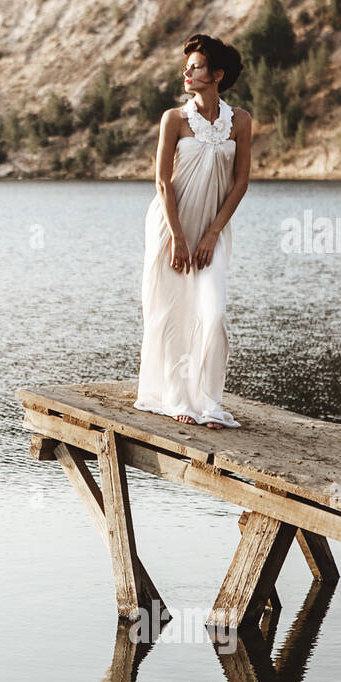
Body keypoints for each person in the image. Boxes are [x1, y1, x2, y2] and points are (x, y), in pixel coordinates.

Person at [133, 33, 251, 429]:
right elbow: (163, 181)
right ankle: (177, 397)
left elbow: (240, 183)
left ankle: (210, 401)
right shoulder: (174, 119)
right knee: (173, 311)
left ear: (217, 74)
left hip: (213, 231)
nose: (188, 71)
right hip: (172, 226)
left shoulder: (241, 122)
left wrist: (213, 233)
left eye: (197, 66)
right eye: (187, 66)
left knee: (213, 312)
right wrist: (179, 236)